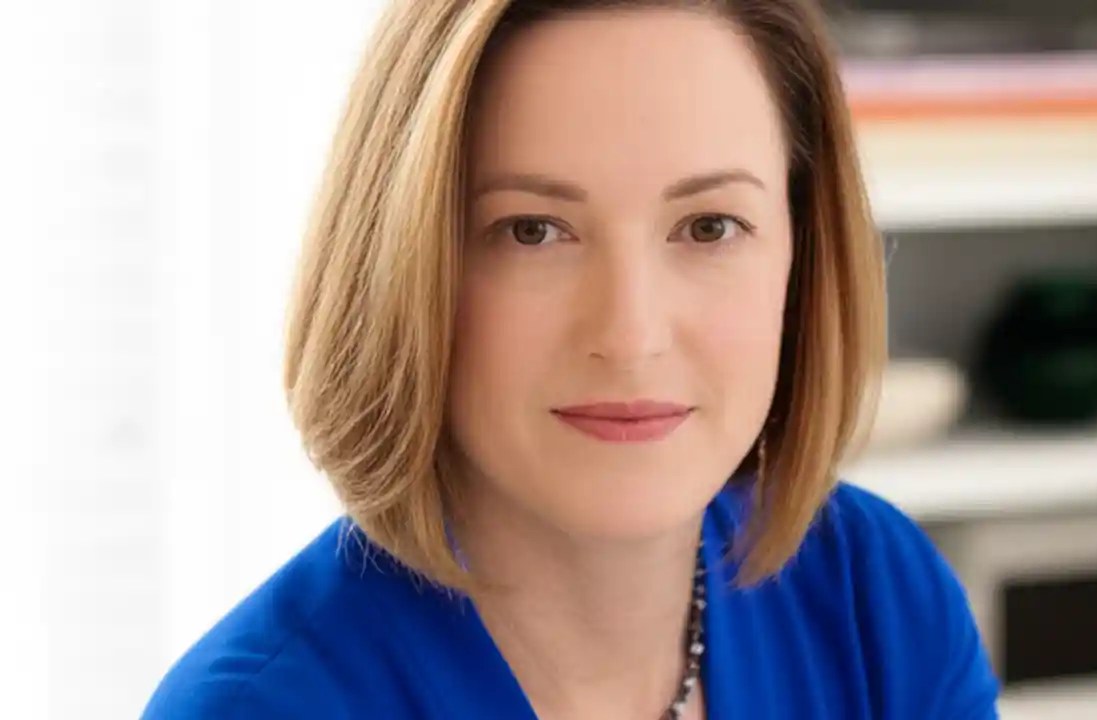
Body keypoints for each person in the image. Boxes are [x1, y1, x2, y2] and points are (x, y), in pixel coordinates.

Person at [142, 0, 1001, 717]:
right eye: (532, 230)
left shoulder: (874, 597)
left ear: (800, 258)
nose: (631, 335)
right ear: (401, 269)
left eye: (708, 227)